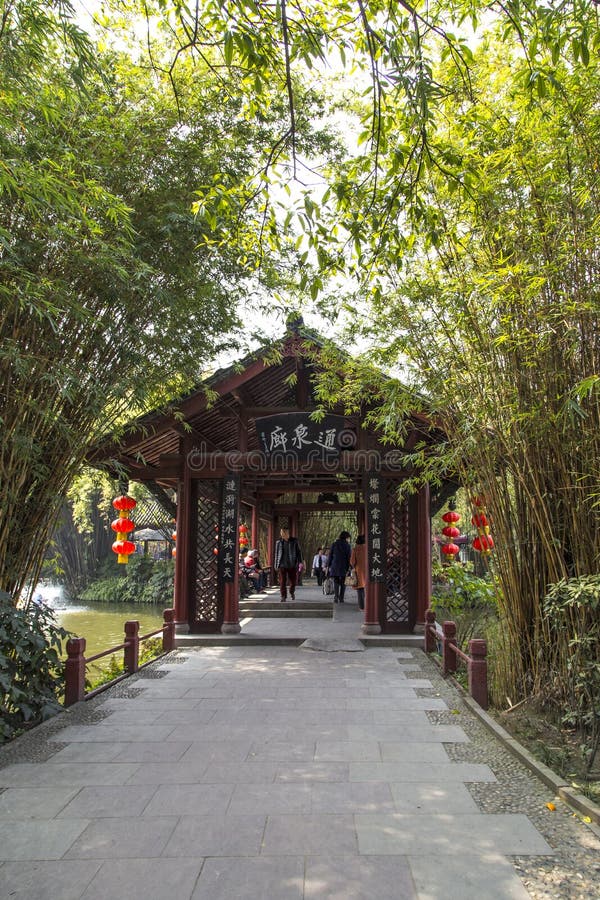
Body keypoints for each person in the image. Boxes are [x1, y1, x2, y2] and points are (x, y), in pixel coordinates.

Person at [274, 527, 303, 602]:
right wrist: (276, 565)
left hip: (292, 564)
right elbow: (276, 554)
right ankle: (283, 596)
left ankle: (291, 592)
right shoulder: (278, 542)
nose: (281, 534)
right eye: (281, 533)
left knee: (293, 581)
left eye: (283, 533)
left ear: (287, 533)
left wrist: (300, 562)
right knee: (282, 581)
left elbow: (299, 552)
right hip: (282, 565)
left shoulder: (294, 541)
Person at [327, 530, 352, 603]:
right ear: (346, 537)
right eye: (348, 538)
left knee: (336, 581)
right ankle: (341, 598)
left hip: (335, 565)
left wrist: (328, 565)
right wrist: (349, 566)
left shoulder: (334, 544)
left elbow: (330, 555)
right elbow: (349, 557)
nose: (348, 539)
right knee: (344, 582)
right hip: (344, 565)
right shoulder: (347, 545)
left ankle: (336, 597)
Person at [350, 534, 367, 611]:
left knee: (360, 589)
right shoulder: (368, 548)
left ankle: (362, 607)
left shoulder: (355, 549)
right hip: (367, 570)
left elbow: (352, 562)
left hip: (359, 571)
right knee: (366, 588)